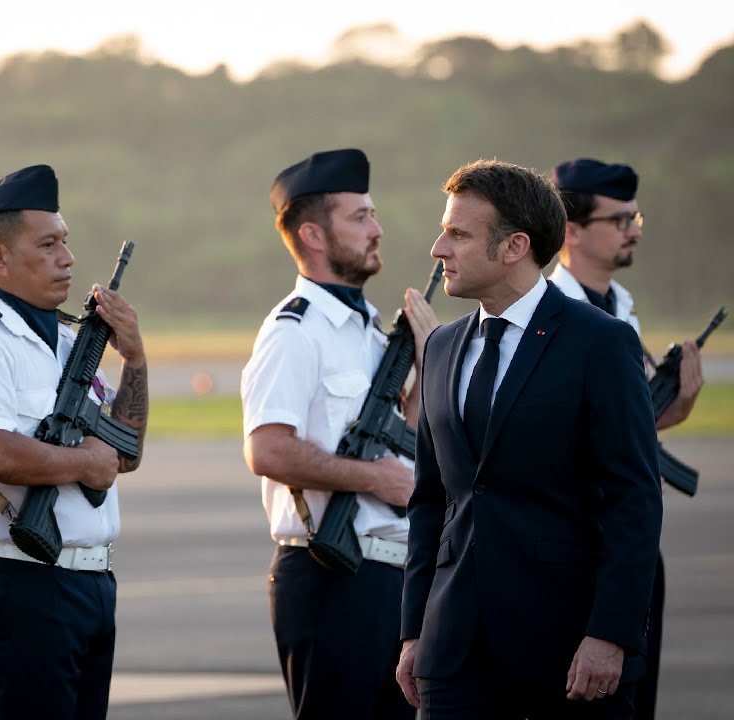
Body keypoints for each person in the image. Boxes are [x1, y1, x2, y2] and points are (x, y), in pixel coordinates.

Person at [396, 159, 663, 719]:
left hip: (568, 654)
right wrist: (415, 630)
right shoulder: (442, 346)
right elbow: (431, 500)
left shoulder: (601, 343)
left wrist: (610, 635)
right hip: (453, 654)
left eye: (458, 233)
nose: (438, 247)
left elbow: (633, 500)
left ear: (514, 247)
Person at [0, 164, 149, 720]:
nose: (67, 258)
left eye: (65, 242)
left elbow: (125, 452)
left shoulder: (75, 339)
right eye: (48, 244)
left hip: (91, 585)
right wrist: (84, 464)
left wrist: (136, 357)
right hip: (19, 585)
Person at [240, 148, 437, 720]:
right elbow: (268, 448)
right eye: (359, 217)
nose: (377, 229)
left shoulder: (366, 331)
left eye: (372, 215)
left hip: (391, 575)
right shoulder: (294, 332)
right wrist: (373, 477)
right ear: (314, 235)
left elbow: (407, 436)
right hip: (330, 575)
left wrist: (426, 367)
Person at [549, 157, 706, 719]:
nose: (634, 229)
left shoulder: (622, 313)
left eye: (636, 217)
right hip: (567, 550)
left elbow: (615, 438)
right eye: (619, 220)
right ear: (570, 231)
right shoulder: (548, 314)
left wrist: (668, 410)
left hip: (629, 549)